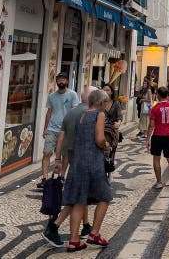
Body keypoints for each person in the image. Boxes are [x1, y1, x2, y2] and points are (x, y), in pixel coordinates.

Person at [55, 89, 113, 252]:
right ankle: (94, 233)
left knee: (79, 200)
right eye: (106, 101)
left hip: (77, 162)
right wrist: (106, 146)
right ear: (102, 103)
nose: (107, 104)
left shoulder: (81, 115)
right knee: (105, 196)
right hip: (92, 162)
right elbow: (99, 139)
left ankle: (74, 240)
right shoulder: (99, 115)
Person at [43, 86, 93, 247]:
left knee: (80, 197)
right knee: (77, 197)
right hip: (83, 161)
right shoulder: (90, 114)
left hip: (72, 159)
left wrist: (58, 160)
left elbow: (61, 137)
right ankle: (55, 228)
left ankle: (82, 229)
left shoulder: (71, 113)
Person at [41, 73, 80, 188]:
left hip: (66, 130)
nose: (61, 81)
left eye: (63, 79)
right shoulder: (52, 96)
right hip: (52, 129)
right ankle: (44, 178)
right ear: (56, 81)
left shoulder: (72, 95)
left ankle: (61, 176)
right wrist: (45, 128)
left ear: (67, 81)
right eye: (59, 80)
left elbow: (75, 112)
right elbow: (49, 112)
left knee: (65, 154)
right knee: (47, 153)